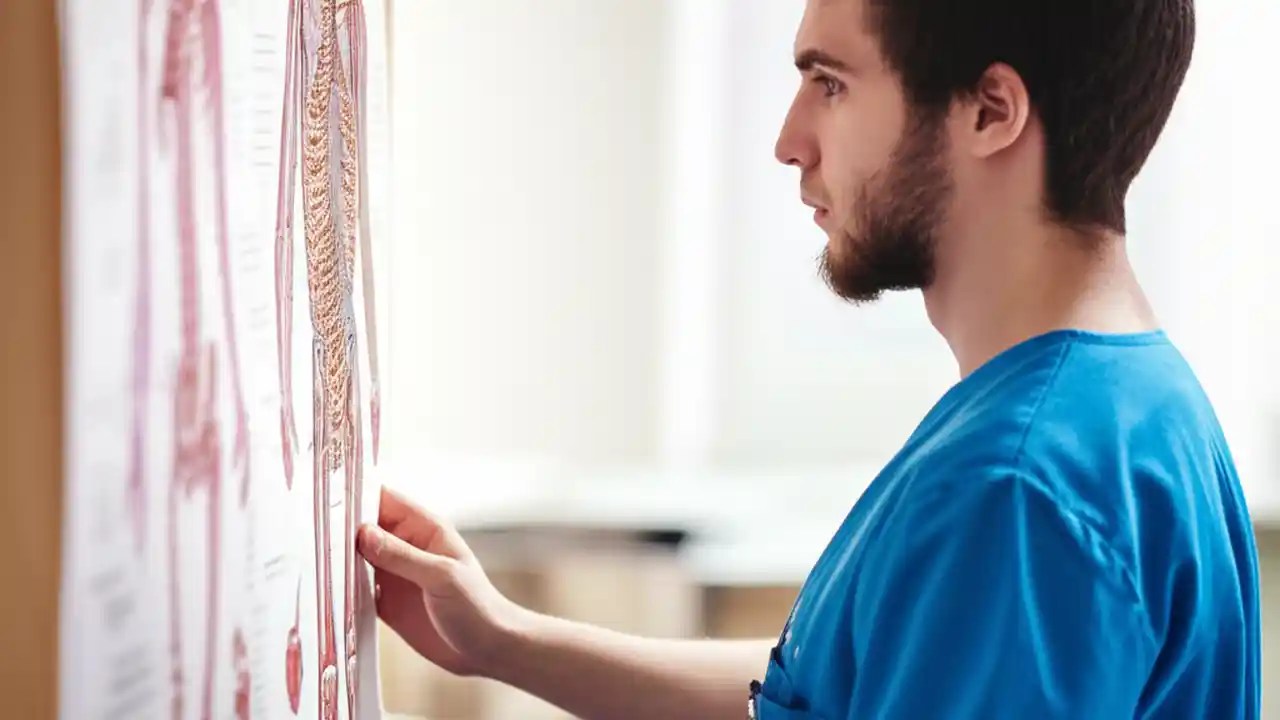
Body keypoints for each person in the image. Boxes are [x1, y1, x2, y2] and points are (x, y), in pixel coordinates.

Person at [358, 0, 1262, 717]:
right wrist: (500, 640)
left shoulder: (1019, 486)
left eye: (831, 83)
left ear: (990, 111)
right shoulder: (1136, 403)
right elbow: (841, 689)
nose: (789, 139)